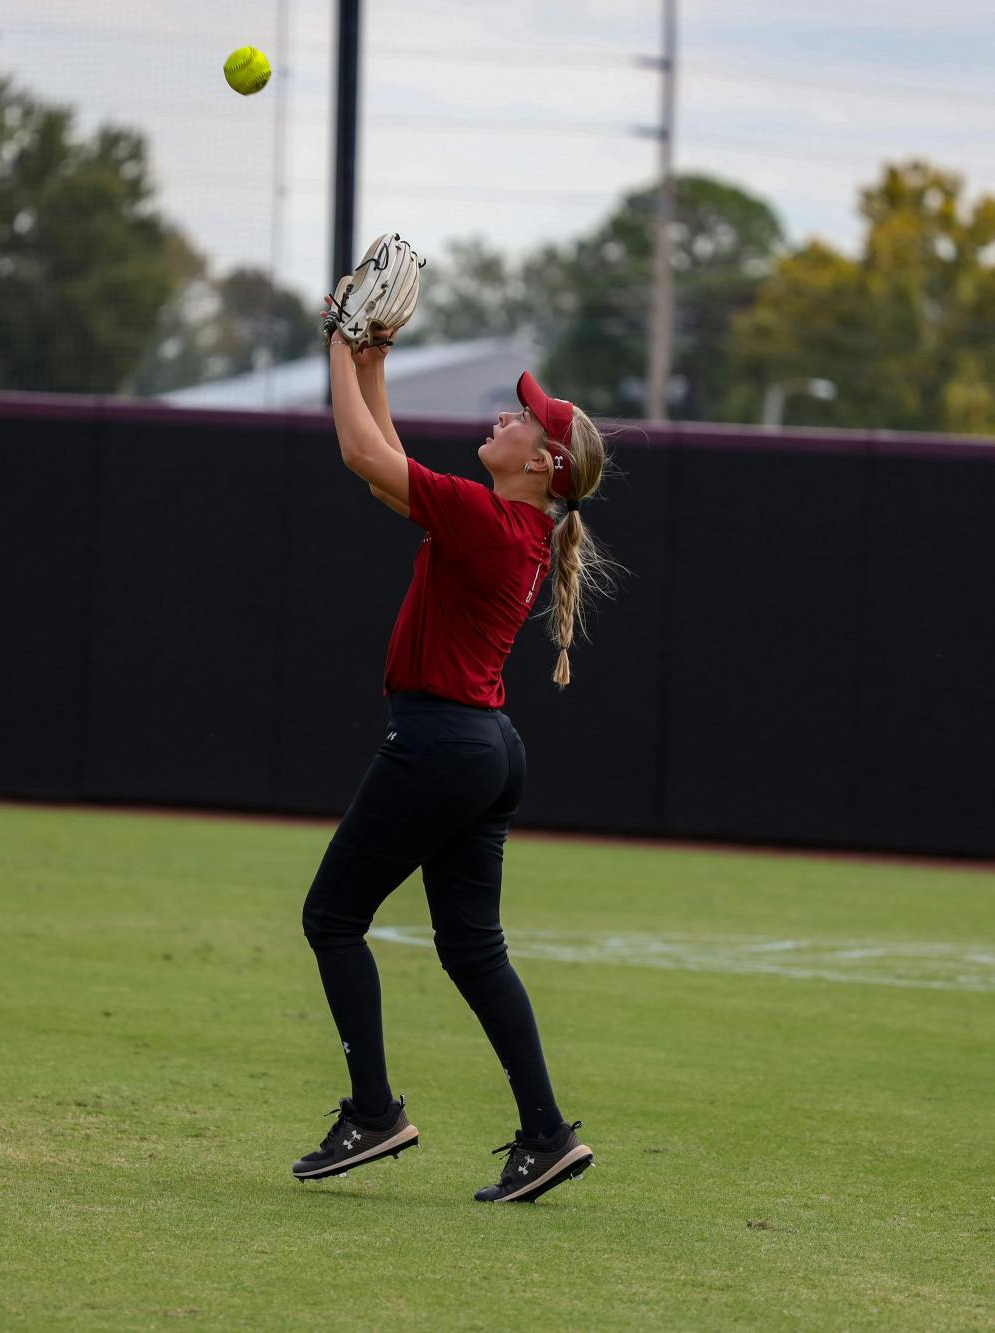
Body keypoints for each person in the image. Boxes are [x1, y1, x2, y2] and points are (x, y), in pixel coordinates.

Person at [289, 324, 619, 1204]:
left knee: (332, 917)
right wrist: (372, 360)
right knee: (474, 953)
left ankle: (372, 1111)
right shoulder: (510, 523)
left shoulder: (486, 518)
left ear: (542, 464)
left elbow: (361, 451)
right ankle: (547, 1135)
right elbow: (387, 466)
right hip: (487, 749)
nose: (510, 415)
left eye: (526, 418)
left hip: (440, 743)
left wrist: (334, 343)